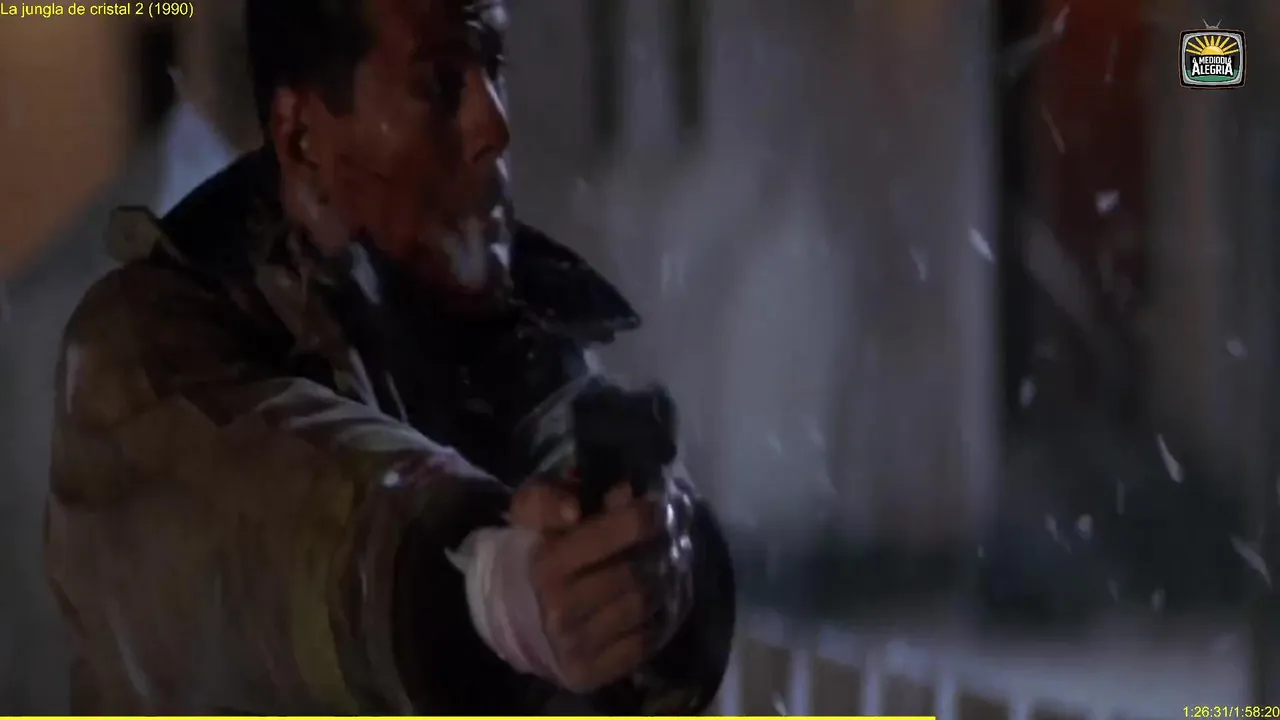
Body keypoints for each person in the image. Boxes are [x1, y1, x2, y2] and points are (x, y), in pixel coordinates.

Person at [43, 0, 735, 713]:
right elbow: (249, 536)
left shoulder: (522, 349)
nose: (495, 127)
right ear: (304, 140)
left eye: (494, 67)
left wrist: (657, 569)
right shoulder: (143, 348)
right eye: (440, 85)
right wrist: (483, 587)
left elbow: (622, 570)